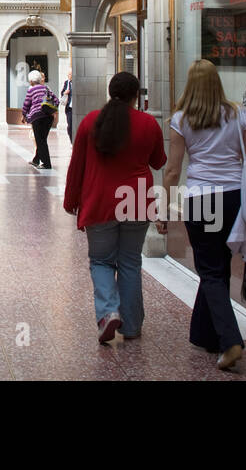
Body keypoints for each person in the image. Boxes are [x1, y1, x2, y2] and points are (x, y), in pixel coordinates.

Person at [158, 59, 246, 370]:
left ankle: (230, 341)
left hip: (202, 199)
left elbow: (173, 170)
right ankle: (204, 333)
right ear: (217, 83)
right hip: (234, 199)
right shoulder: (239, 114)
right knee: (219, 266)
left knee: (211, 270)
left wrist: (162, 209)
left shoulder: (181, 119)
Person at [63, 72, 165, 343]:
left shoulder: (89, 122)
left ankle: (108, 312)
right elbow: (158, 161)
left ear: (110, 93)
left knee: (101, 261)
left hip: (100, 202)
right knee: (130, 262)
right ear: (135, 96)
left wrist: (71, 201)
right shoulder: (148, 123)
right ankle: (131, 326)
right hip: (136, 201)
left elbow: (77, 166)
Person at [21, 70, 57, 169]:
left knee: (40, 141)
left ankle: (47, 164)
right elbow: (56, 100)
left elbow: (26, 104)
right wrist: (52, 110)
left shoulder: (31, 90)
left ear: (32, 81)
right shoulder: (46, 88)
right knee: (42, 140)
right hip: (48, 118)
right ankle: (36, 160)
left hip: (37, 117)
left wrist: (23, 115)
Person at [60, 73, 74, 144]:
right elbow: (62, 92)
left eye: (71, 74)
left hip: (76, 107)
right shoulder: (66, 82)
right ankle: (72, 141)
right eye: (68, 74)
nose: (69, 75)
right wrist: (65, 92)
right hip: (69, 108)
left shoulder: (77, 82)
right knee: (70, 126)